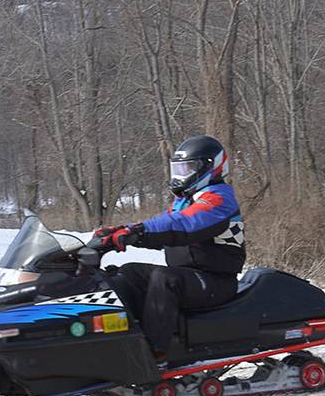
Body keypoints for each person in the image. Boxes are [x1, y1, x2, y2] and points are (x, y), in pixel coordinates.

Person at [96, 134, 245, 361]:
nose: (181, 176)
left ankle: (154, 353)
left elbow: (183, 224)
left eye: (187, 169)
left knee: (165, 279)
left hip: (218, 281)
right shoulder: (189, 200)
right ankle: (132, 335)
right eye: (179, 170)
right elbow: (164, 222)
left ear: (210, 167)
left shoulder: (219, 199)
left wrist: (137, 232)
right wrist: (119, 231)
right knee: (129, 272)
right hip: (194, 276)